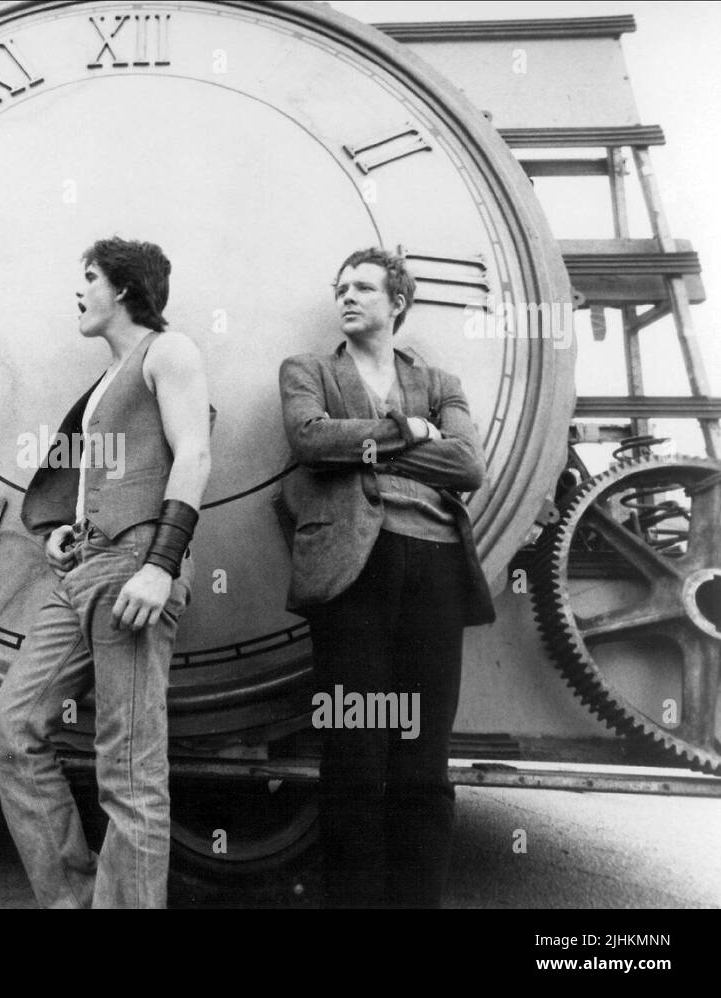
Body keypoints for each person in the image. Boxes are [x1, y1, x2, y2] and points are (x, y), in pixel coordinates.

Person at [0, 237, 212, 908]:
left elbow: (193, 457)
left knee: (129, 771)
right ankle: (75, 898)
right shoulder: (107, 381)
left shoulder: (170, 351)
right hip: (84, 571)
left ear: (125, 289)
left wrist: (161, 566)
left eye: (89, 278)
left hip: (136, 568)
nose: (77, 292)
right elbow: (102, 478)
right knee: (9, 728)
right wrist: (62, 532)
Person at [277, 247, 495, 908]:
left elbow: (466, 466)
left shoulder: (441, 379)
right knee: (354, 757)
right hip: (353, 576)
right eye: (340, 286)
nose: (347, 296)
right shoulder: (307, 370)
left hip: (435, 571)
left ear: (397, 302)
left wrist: (368, 445)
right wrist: (412, 431)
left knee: (423, 762)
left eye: (364, 288)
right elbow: (311, 440)